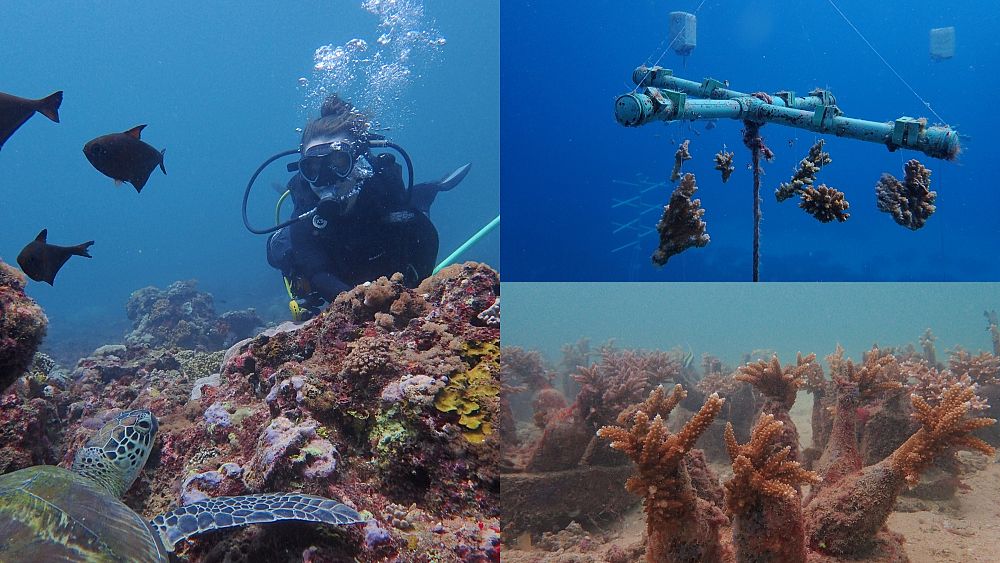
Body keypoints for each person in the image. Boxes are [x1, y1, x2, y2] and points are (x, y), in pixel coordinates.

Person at [267, 95, 468, 316]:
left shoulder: (381, 190)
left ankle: (430, 189)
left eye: (338, 163)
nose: (327, 178)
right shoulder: (306, 207)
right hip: (342, 272)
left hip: (384, 251)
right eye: (313, 168)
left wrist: (414, 292)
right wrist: (363, 307)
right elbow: (316, 271)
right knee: (282, 249)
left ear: (358, 161)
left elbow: (426, 237)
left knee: (416, 209)